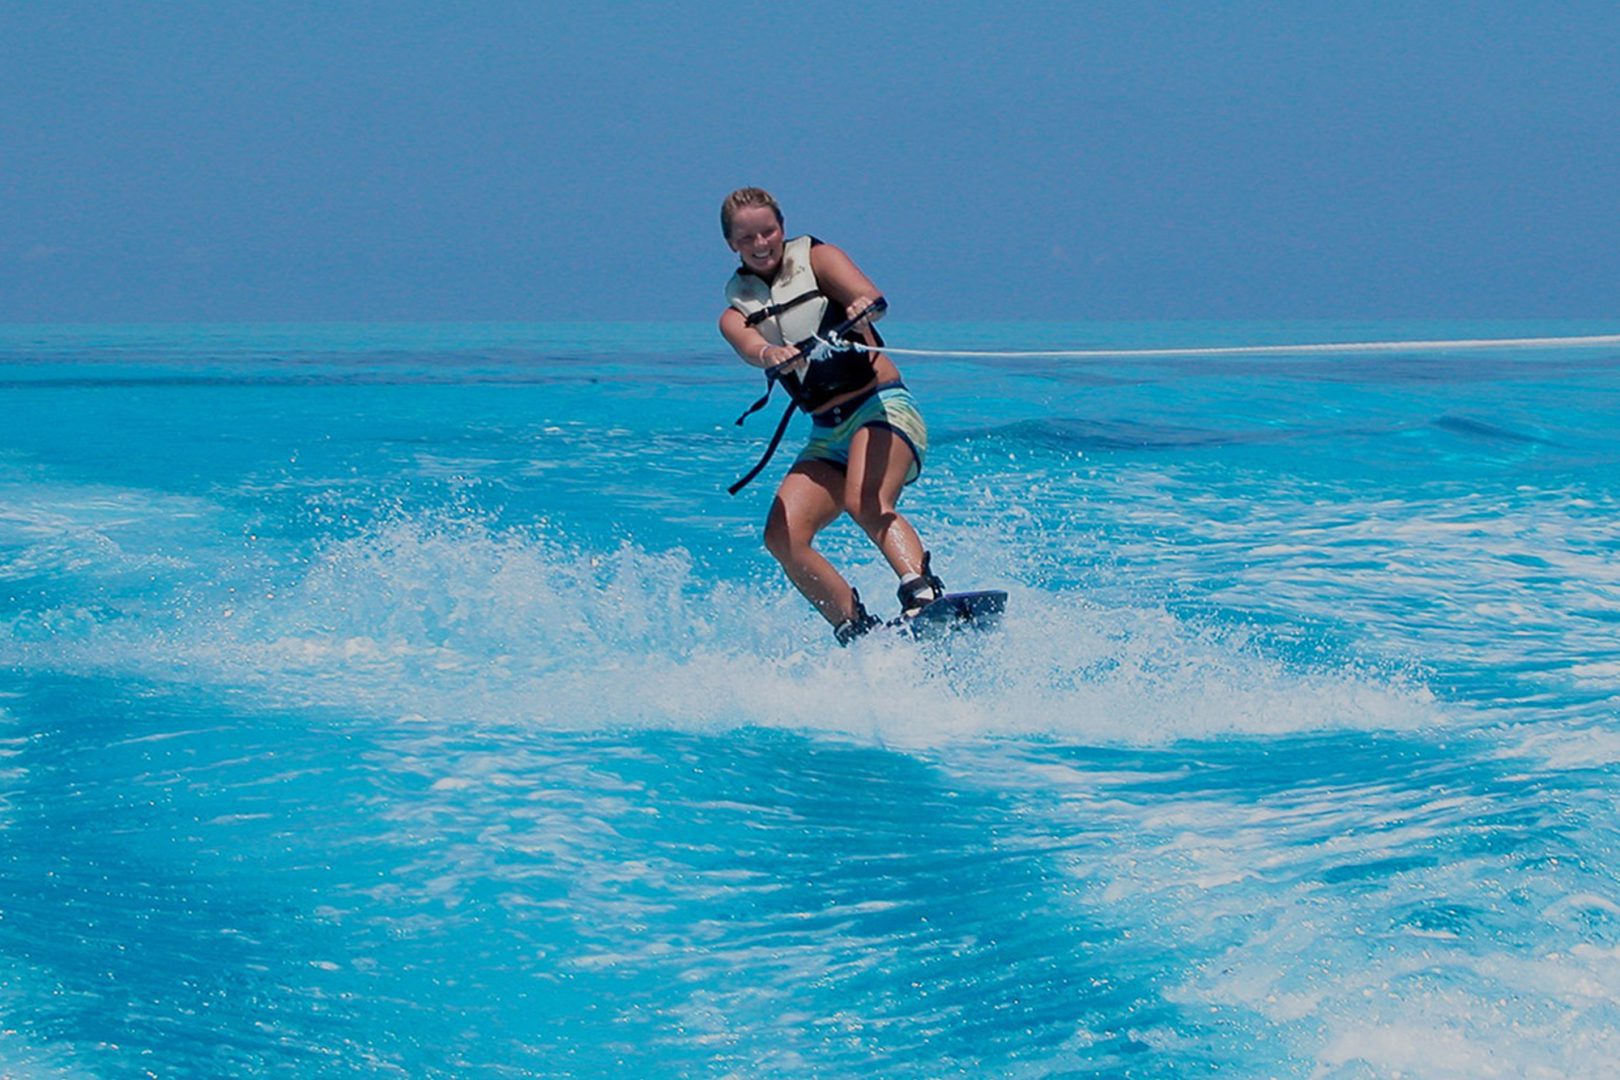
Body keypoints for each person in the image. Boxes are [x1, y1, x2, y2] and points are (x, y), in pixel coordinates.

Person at [718, 186, 944, 645]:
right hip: (827, 433)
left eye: (769, 231)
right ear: (732, 246)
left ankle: (924, 594)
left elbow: (868, 295)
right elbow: (751, 348)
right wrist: (770, 352)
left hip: (881, 408)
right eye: (747, 239)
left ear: (782, 227)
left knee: (867, 501)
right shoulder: (733, 314)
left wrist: (862, 307)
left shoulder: (820, 259)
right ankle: (856, 628)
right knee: (782, 537)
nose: (761, 244)